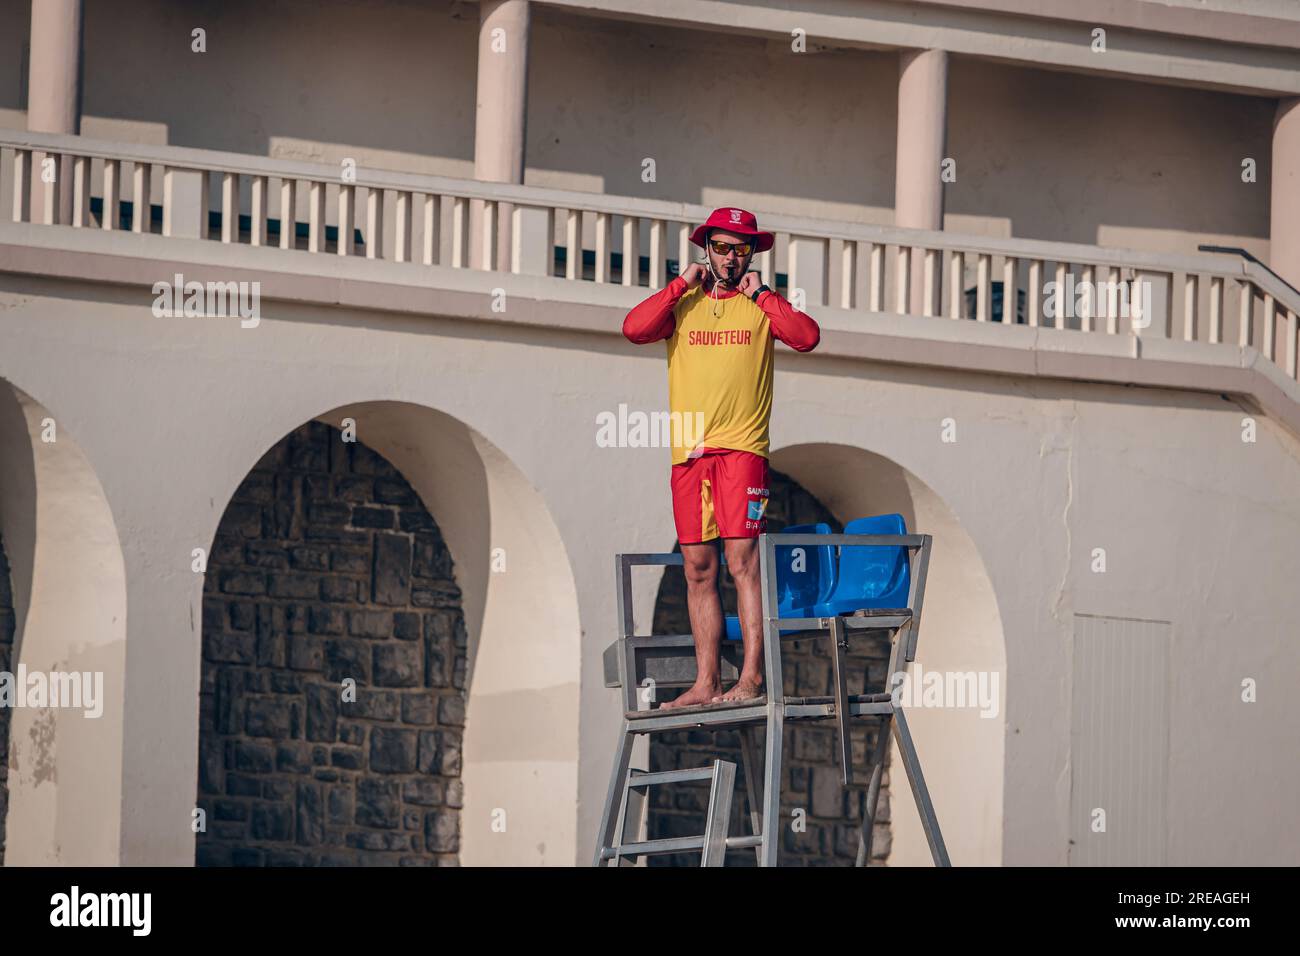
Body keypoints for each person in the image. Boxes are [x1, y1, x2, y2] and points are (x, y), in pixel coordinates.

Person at [622, 207, 820, 707]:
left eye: (741, 248)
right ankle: (706, 682)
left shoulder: (761, 304)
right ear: (706, 248)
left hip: (741, 448)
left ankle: (751, 678)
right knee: (697, 568)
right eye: (723, 247)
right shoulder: (683, 303)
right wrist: (678, 285)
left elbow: (807, 337)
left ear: (752, 254)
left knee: (741, 561)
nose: (732, 258)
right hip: (689, 448)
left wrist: (761, 294)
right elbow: (633, 328)